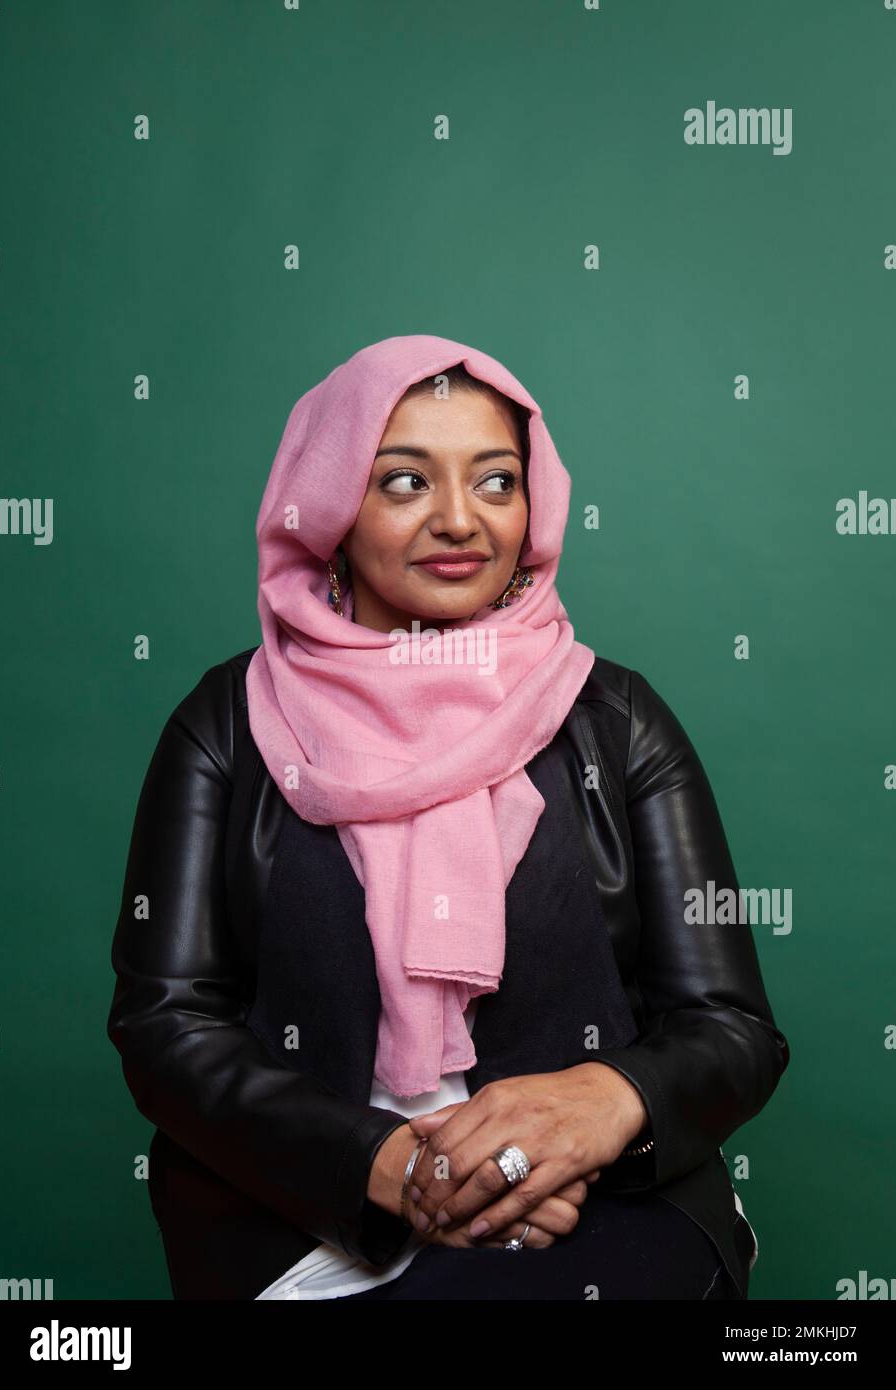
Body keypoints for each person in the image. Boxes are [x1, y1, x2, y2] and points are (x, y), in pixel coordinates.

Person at [107, 334, 790, 1301]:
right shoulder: (226, 724)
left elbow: (730, 1028)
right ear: (332, 506)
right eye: (402, 483)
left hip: (597, 1196)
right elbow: (165, 1026)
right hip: (305, 1214)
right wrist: (389, 1166)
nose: (461, 520)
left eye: (497, 481)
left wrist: (600, 1105)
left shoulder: (618, 719)